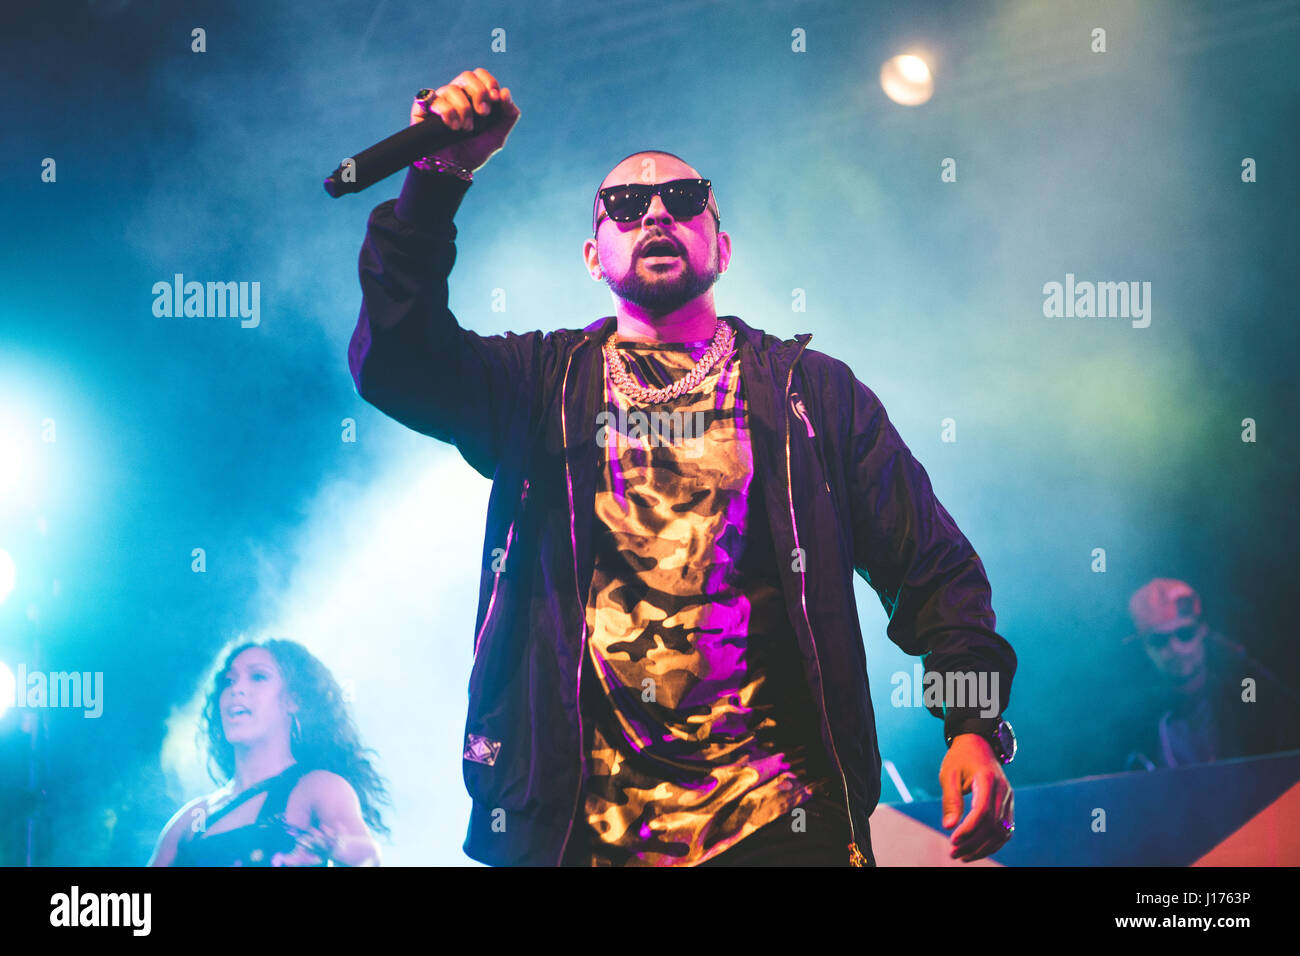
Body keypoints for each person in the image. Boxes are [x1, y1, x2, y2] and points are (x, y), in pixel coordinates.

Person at [347, 68, 1018, 866]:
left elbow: (934, 570)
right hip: (581, 829)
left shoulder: (811, 393)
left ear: (721, 246)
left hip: (779, 821)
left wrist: (973, 728)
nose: (658, 211)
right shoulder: (539, 385)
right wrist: (437, 179)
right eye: (627, 207)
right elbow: (395, 358)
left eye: (686, 197)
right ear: (595, 256)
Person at [148, 639, 388, 866]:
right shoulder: (192, 818)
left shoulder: (316, 787)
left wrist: (333, 845)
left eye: (258, 676)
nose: (237, 689)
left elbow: (368, 856)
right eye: (229, 681)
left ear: (293, 701)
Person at [1123, 578, 1299, 770]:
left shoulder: (1248, 695)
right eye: (1159, 640)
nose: (1175, 648)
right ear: (1144, 647)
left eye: (1185, 633)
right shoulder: (1134, 722)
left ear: (1202, 630)